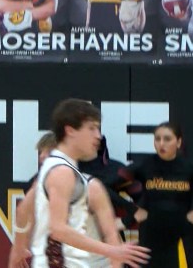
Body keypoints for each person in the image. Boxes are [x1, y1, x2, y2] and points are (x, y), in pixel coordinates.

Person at [27, 98, 151, 268]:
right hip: (64, 256)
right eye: (91, 129)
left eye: (96, 129)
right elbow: (30, 213)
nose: (96, 135)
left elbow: (146, 207)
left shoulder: (114, 171)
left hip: (102, 255)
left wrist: (120, 224)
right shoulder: (52, 175)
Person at [112, 122, 193, 268]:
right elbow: (104, 187)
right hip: (150, 238)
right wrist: (133, 213)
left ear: (179, 142)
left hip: (181, 238)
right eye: (157, 139)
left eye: (167, 139)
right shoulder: (143, 166)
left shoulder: (190, 168)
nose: (161, 143)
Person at [10, 129, 138, 268]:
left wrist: (122, 224)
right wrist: (19, 247)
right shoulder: (43, 181)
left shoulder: (93, 183)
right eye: (40, 153)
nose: (41, 157)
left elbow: (139, 208)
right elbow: (23, 211)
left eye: (46, 152)